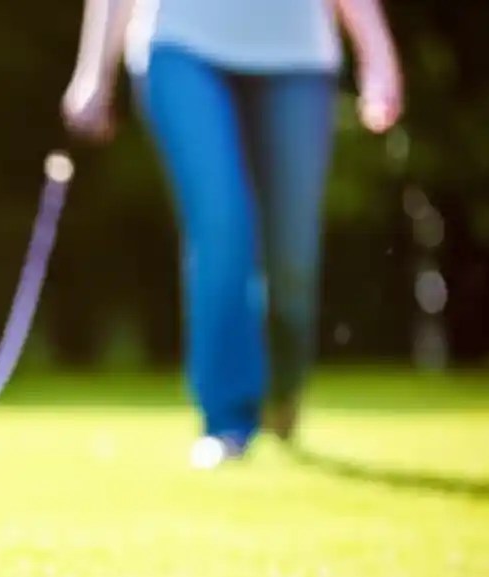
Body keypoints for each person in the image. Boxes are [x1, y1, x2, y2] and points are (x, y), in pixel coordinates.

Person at [61, 0, 403, 467]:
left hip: (298, 56)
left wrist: (378, 55)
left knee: (292, 261)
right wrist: (93, 71)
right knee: (220, 230)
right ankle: (225, 421)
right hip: (179, 45)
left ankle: (281, 391)